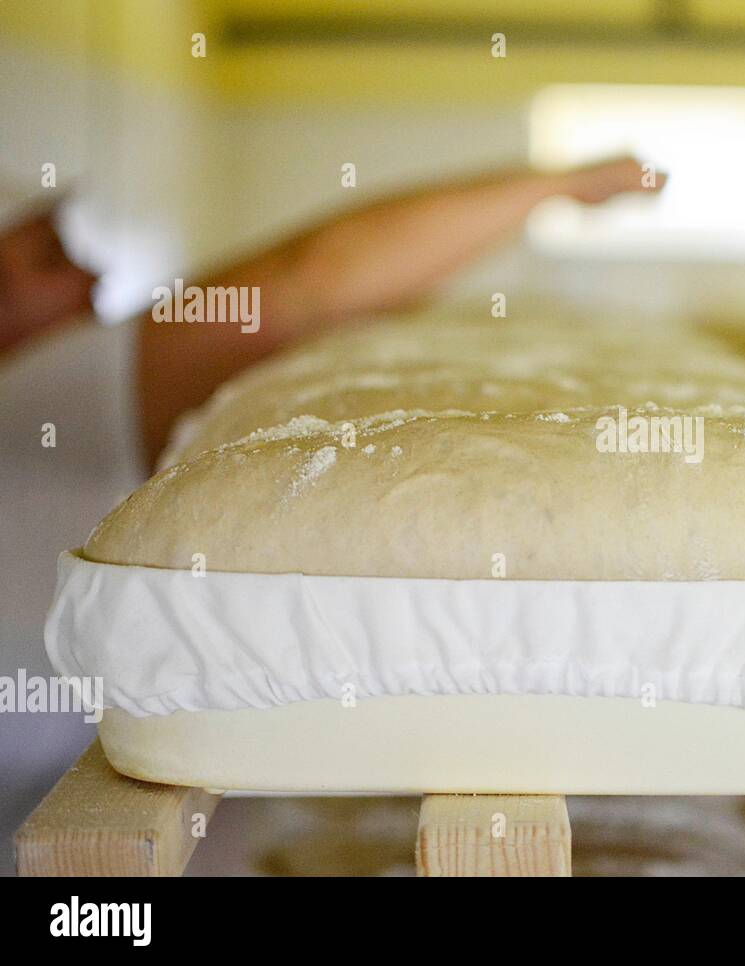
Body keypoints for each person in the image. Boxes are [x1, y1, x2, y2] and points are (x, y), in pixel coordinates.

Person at [0, 158, 659, 869]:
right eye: (48, 259)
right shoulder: (32, 399)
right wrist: (557, 187)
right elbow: (303, 285)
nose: (89, 277)